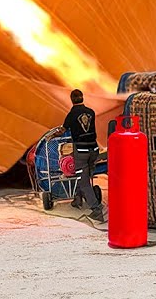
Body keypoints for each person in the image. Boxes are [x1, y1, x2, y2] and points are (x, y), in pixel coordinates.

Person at [61, 89, 104, 220]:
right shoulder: (91, 112)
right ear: (82, 98)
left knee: (84, 180)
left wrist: (55, 134)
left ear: (71, 99)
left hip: (81, 151)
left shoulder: (71, 115)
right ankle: (77, 199)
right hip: (94, 150)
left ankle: (96, 209)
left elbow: (64, 129)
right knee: (86, 175)